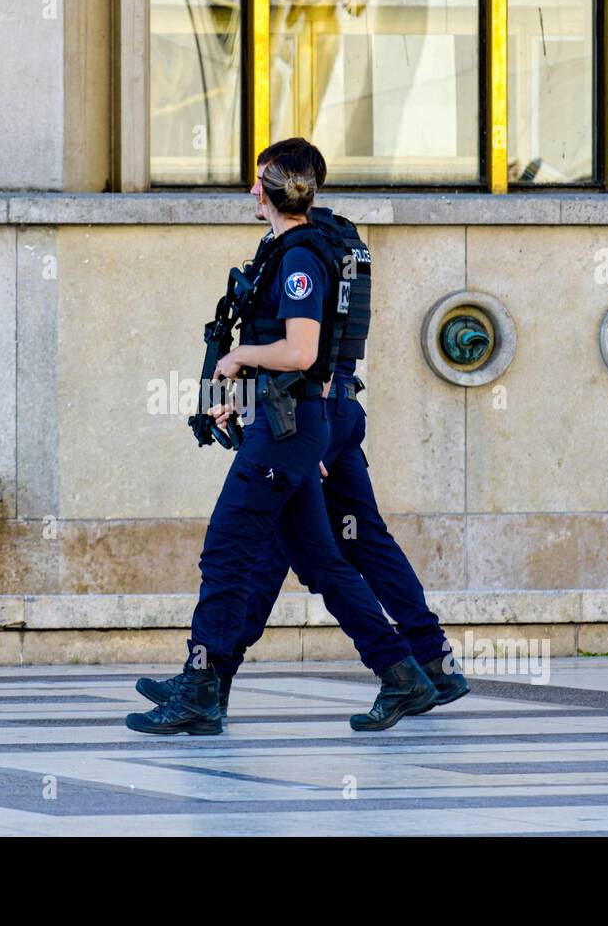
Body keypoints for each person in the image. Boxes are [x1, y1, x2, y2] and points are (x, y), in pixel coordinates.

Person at [136, 138, 469, 724]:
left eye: (255, 181)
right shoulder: (331, 241)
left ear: (270, 188)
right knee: (322, 551)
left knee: (235, 548)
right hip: (317, 415)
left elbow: (301, 350)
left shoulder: (298, 256)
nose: (249, 191)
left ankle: (208, 682)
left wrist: (240, 362)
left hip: (302, 420)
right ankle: (414, 667)